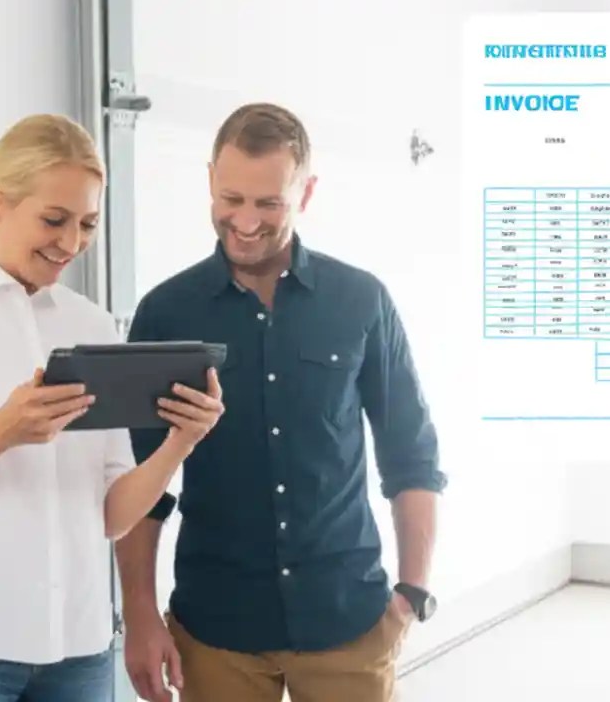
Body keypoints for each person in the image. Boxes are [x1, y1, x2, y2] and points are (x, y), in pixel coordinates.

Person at [0, 112, 225, 701]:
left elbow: (111, 517)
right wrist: (5, 430)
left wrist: (179, 444)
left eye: (87, 224)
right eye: (53, 219)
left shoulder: (92, 324)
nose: (71, 243)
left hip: (79, 651)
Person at [116, 102, 448, 702]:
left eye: (268, 203)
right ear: (210, 180)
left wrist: (412, 593)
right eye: (230, 198)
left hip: (349, 626)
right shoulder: (166, 313)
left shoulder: (361, 301)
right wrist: (138, 616)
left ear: (307, 191)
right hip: (215, 635)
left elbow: (412, 456)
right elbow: (140, 485)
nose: (245, 221)